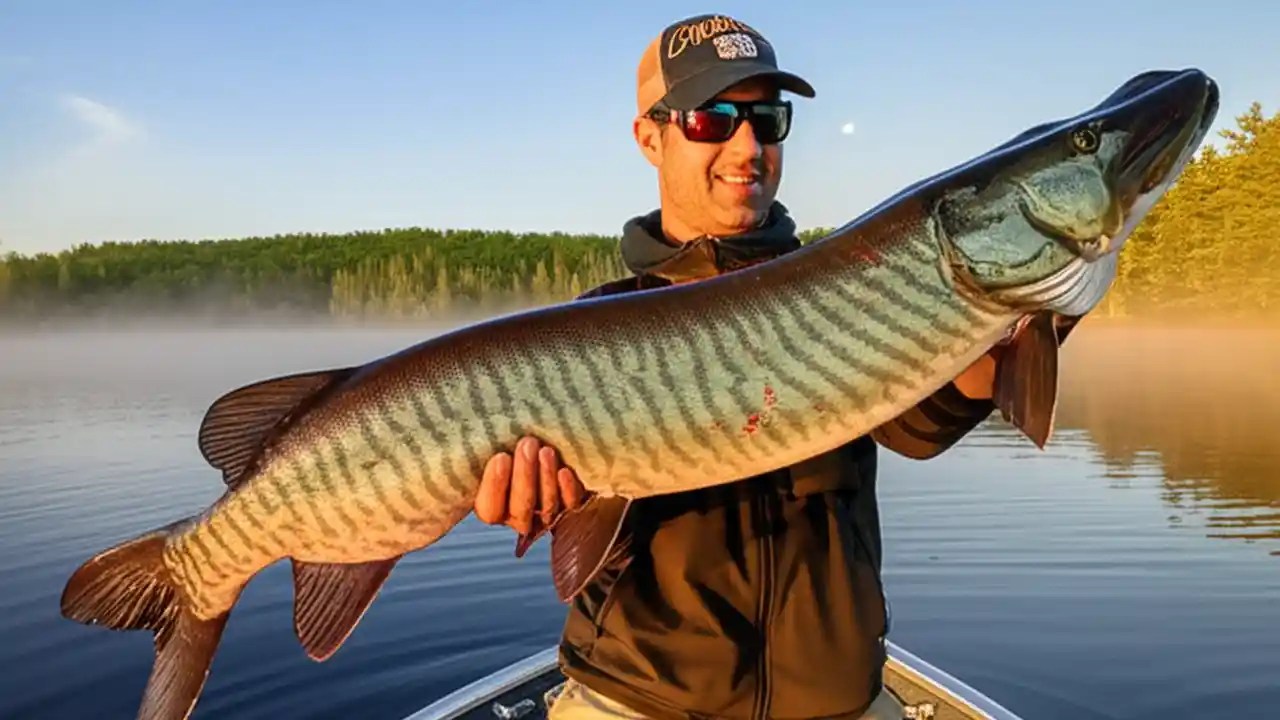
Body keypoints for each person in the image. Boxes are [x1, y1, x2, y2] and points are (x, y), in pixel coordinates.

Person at [475, 13, 1005, 720]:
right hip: (638, 703)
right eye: (711, 119)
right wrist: (534, 500)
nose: (747, 145)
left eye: (767, 117)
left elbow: (923, 426)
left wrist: (1017, 304)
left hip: (836, 702)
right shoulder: (593, 325)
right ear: (650, 137)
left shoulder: (842, 289)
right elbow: (577, 527)